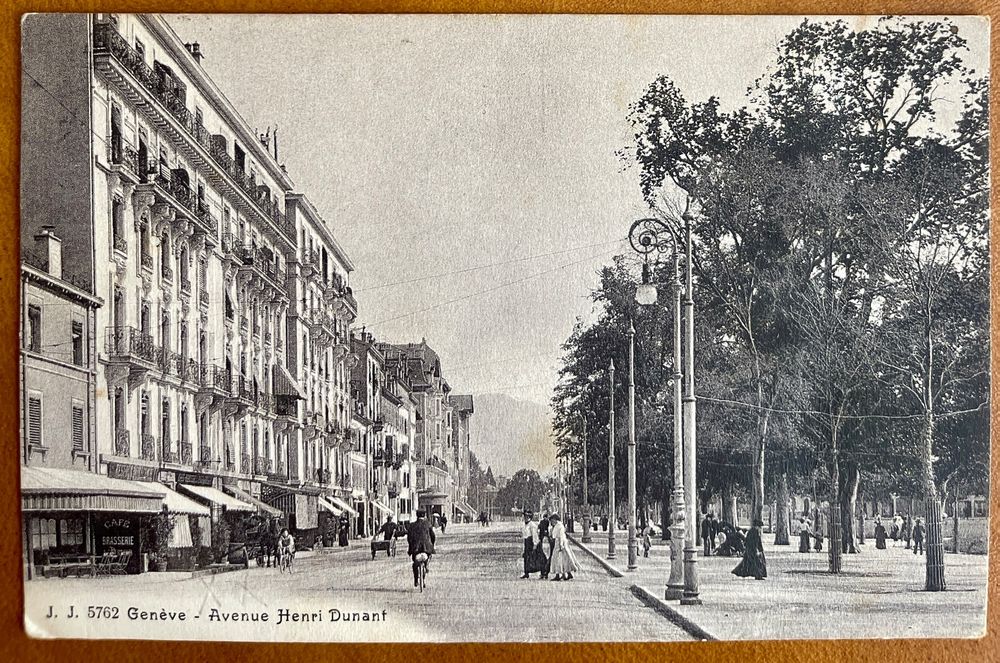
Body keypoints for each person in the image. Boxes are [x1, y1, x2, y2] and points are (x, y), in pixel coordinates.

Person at [406, 509, 436, 587]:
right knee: (428, 557)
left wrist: (411, 546)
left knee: (415, 564)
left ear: (417, 516)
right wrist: (431, 544)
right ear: (424, 515)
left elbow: (409, 538)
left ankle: (416, 579)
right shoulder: (428, 524)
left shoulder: (412, 525)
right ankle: (426, 566)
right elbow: (433, 536)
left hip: (415, 548)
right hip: (426, 547)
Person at [548, 514, 580, 581]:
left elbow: (561, 536)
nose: (551, 522)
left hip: (561, 543)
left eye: (552, 520)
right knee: (560, 559)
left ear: (555, 519)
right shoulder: (555, 526)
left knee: (560, 559)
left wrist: (561, 545)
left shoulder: (560, 526)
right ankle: (566, 574)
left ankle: (560, 574)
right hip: (557, 542)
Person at [520, 511, 540, 579]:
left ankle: (540, 570)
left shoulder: (532, 525)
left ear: (530, 518)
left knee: (532, 557)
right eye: (525, 517)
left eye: (527, 517)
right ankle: (526, 572)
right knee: (526, 557)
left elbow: (534, 535)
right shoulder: (525, 525)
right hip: (526, 542)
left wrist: (535, 544)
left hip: (531, 542)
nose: (525, 518)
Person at [537, 512, 551, 579]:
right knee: (546, 559)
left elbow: (539, 527)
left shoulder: (543, 522)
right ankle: (545, 573)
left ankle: (543, 573)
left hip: (542, 538)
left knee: (544, 559)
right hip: (545, 538)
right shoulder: (547, 522)